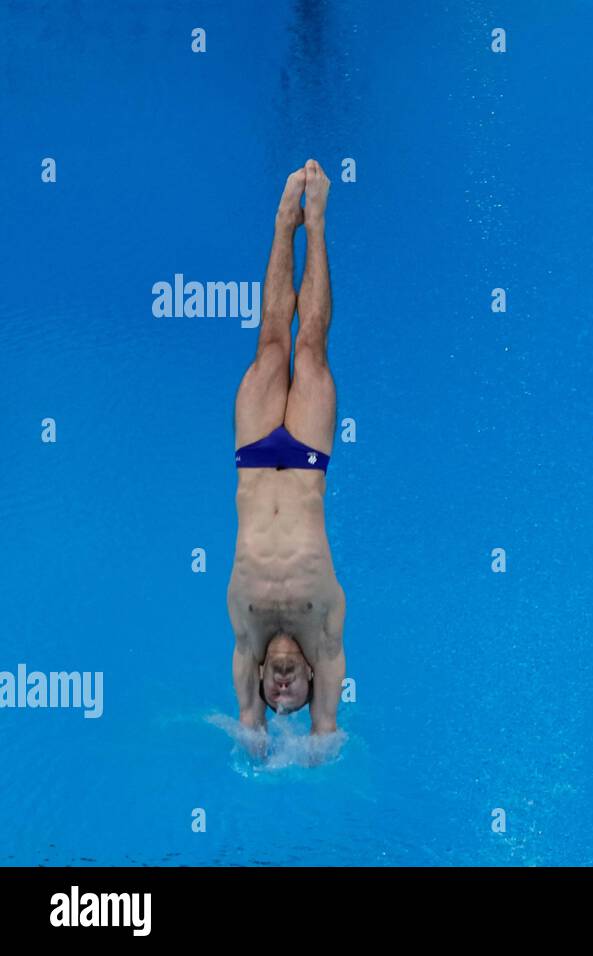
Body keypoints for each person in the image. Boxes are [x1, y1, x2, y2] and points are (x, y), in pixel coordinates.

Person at [227, 160, 346, 734]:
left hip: (253, 457)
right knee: (313, 349)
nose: (281, 688)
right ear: (315, 680)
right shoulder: (325, 628)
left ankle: (282, 225)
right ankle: (316, 222)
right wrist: (318, 731)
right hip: (303, 463)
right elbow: (328, 732)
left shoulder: (247, 632)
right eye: (292, 692)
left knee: (272, 343)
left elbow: (249, 723)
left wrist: (257, 728)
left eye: (273, 694)